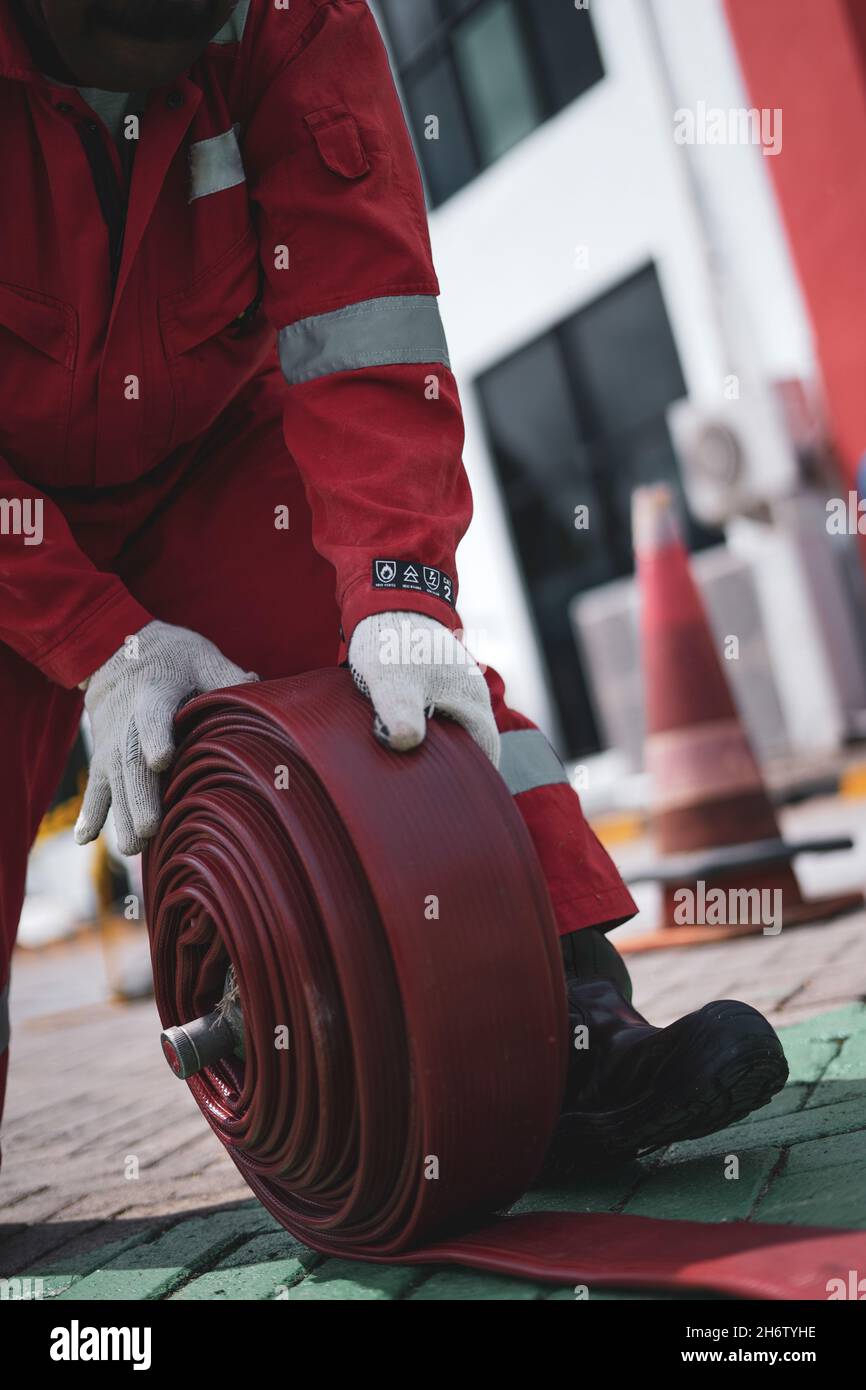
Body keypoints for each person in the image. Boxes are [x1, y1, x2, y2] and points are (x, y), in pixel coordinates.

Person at [0, 0, 787, 1169]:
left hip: (216, 457)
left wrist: (400, 588)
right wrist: (97, 638)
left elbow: (363, 325)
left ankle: (561, 1014)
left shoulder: (289, 18)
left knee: (398, 704)